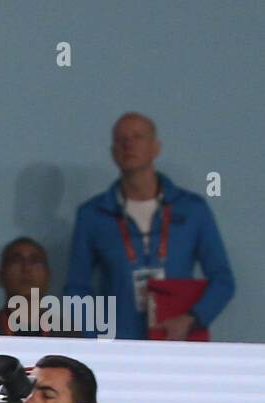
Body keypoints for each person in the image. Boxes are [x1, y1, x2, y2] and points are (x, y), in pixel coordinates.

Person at [63, 112, 233, 340]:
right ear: (113, 153)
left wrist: (193, 319)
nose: (128, 144)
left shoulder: (192, 210)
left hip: (177, 340)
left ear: (155, 148)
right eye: (121, 140)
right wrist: (96, 337)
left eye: (137, 137)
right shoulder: (93, 215)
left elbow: (223, 280)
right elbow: (76, 288)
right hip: (118, 346)